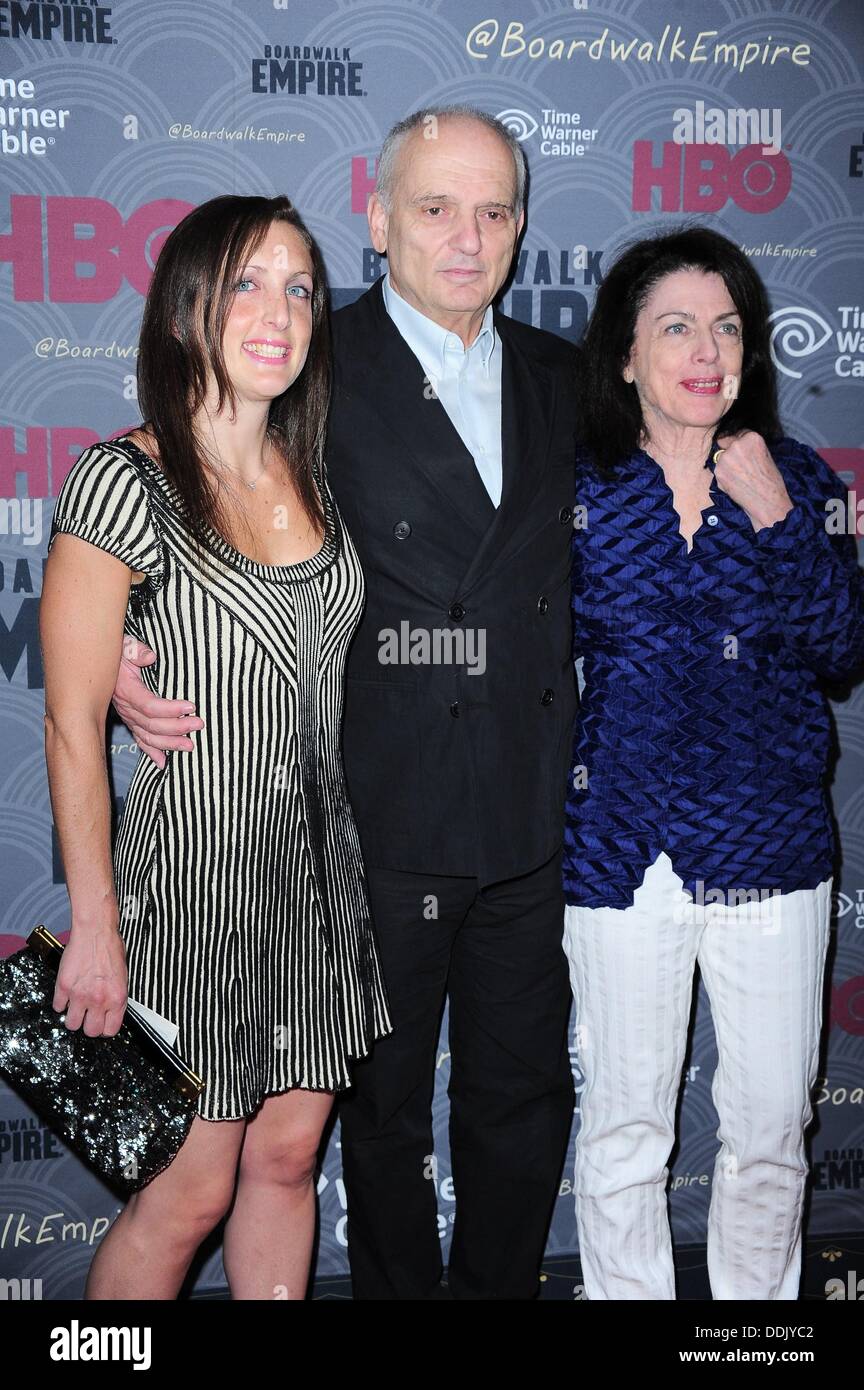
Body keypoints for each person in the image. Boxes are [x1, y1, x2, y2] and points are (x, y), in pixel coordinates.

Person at [111, 107, 578, 1300]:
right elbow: (171, 463)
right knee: (373, 1130)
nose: (467, 238)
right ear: (377, 222)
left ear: (522, 227)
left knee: (521, 1108)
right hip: (373, 823)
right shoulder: (311, 362)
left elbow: (654, 500)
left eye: (494, 210)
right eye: (434, 207)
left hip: (530, 822)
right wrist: (121, 629)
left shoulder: (564, 378)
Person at [39, 194, 392, 1301]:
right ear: (187, 303)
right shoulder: (122, 480)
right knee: (185, 1194)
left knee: (287, 1163)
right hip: (191, 890)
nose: (278, 309)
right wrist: (95, 926)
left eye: (298, 286)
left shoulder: (311, 476)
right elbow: (68, 721)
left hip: (317, 886)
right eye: (246, 281)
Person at [562, 225, 864, 1300]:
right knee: (626, 1127)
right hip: (620, 851)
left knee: (772, 1127)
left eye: (726, 326)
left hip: (773, 855)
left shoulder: (796, 476)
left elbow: (841, 648)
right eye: (676, 326)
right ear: (628, 355)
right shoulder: (578, 486)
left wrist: (782, 519)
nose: (705, 349)